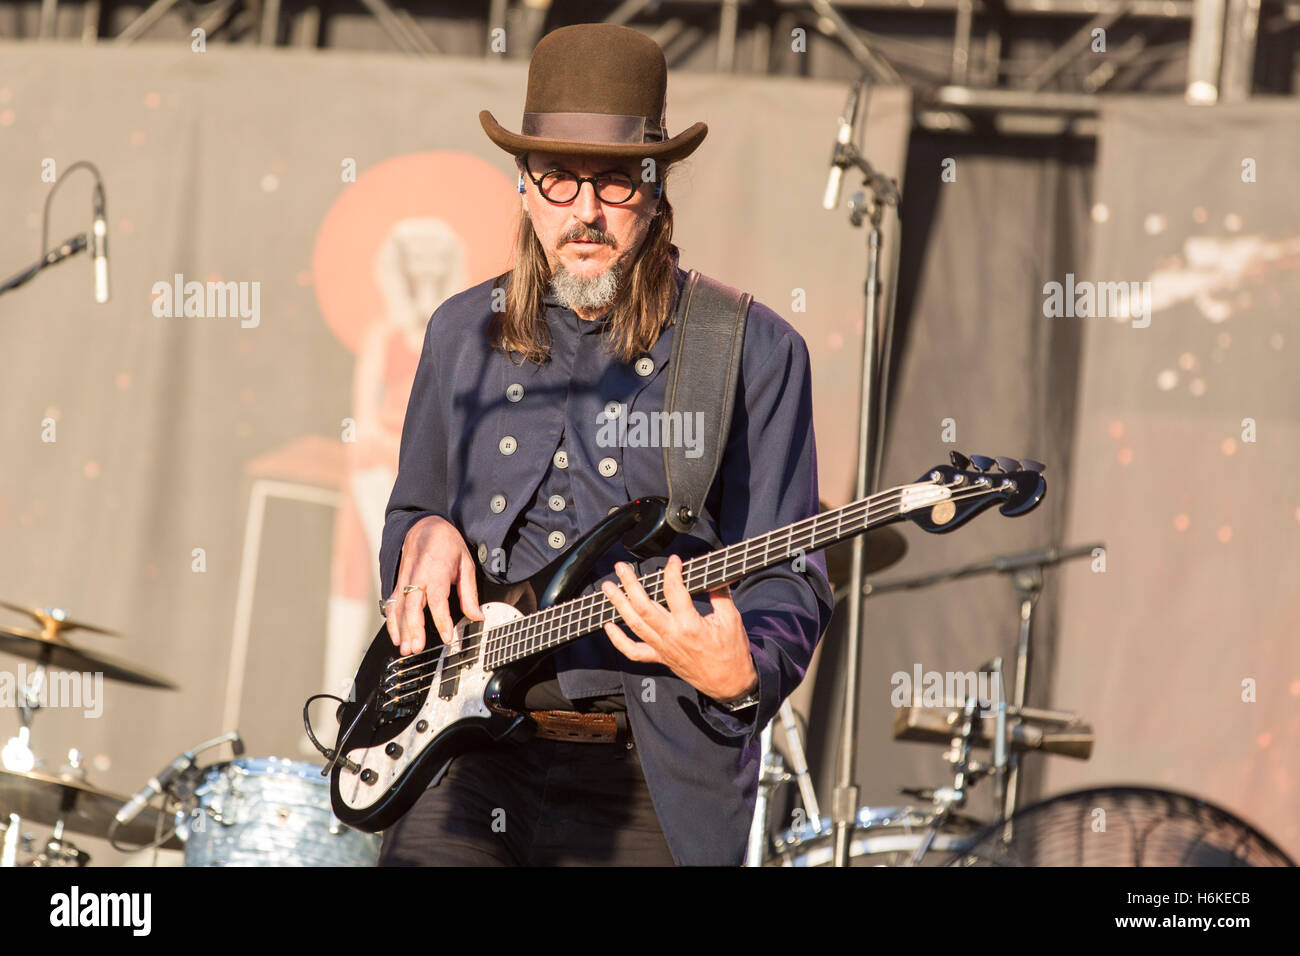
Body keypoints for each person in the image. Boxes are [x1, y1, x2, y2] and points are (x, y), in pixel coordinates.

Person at [375, 22, 833, 866]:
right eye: (558, 178)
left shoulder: (755, 351)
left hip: (652, 771)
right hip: (467, 753)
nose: (584, 210)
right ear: (523, 185)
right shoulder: (458, 334)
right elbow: (414, 508)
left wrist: (745, 668)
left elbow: (792, 573)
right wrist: (421, 534)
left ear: (657, 189)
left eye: (616, 183)